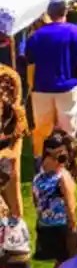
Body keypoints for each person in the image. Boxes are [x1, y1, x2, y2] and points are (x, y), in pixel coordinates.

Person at [24, 0, 77, 160]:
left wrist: (31, 87)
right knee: (68, 130)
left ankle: (40, 161)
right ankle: (68, 161)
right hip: (67, 88)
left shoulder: (34, 37)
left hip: (41, 89)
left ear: (48, 12)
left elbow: (31, 67)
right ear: (65, 10)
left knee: (42, 130)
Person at [32, 130, 77, 265]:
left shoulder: (62, 176)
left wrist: (73, 229)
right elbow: (35, 197)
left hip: (60, 226)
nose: (62, 161)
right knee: (64, 262)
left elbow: (71, 206)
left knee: (65, 262)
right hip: (49, 227)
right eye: (59, 157)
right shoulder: (41, 171)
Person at [0, 68, 27, 220]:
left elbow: (19, 129)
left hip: (7, 148)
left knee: (15, 208)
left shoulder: (8, 77)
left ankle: (18, 236)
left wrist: (10, 154)